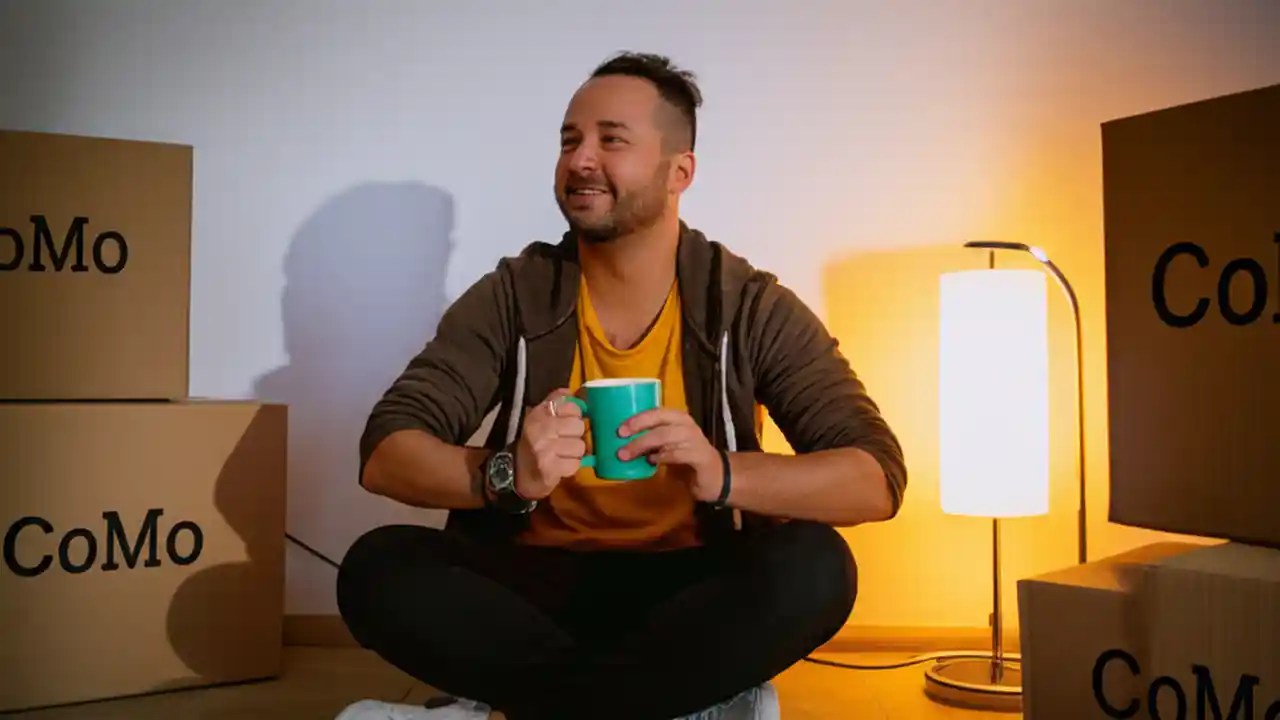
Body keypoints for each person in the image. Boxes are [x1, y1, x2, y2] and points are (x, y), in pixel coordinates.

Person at [335, 51, 907, 720]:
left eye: (611, 140)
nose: (581, 160)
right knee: (377, 568)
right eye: (570, 140)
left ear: (679, 172)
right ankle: (672, 706)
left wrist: (723, 473)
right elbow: (386, 450)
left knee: (817, 567)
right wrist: (505, 473)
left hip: (690, 590)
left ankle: (531, 708)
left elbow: (875, 477)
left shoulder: (746, 306)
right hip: (535, 590)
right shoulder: (515, 296)